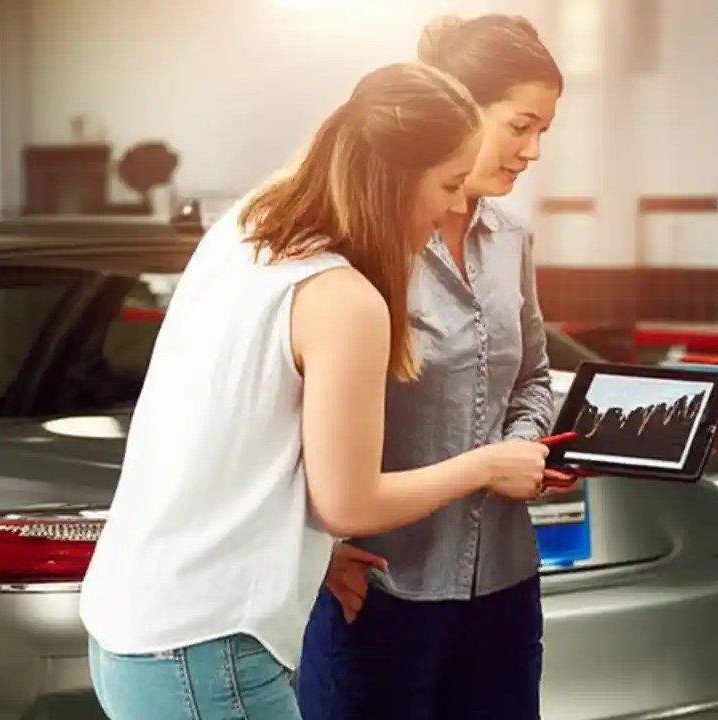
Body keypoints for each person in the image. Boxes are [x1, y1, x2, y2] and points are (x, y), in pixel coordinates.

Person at [79, 61, 554, 719]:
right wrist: (486, 465)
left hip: (135, 634)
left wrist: (305, 552)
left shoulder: (251, 230)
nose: (454, 205)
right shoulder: (343, 297)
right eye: (447, 184)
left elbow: (236, 435)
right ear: (393, 179)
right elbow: (349, 502)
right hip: (211, 652)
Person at [295, 13, 566, 720]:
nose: (534, 150)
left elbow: (533, 375)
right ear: (458, 110)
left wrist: (523, 446)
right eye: (520, 125)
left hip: (503, 586)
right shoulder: (352, 248)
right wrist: (310, 549)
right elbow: (282, 420)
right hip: (378, 588)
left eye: (545, 130)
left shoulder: (511, 239)